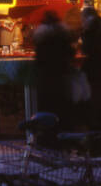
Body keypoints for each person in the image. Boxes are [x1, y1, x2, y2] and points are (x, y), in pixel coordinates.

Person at [32, 10, 75, 142]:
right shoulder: (64, 35)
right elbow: (71, 53)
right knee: (62, 110)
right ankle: (64, 139)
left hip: (46, 80)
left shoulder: (42, 37)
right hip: (62, 79)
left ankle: (47, 139)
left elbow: (39, 59)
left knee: (46, 109)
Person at [78, 4, 101, 155]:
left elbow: (87, 49)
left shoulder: (91, 30)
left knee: (93, 113)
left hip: (93, 74)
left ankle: (94, 148)